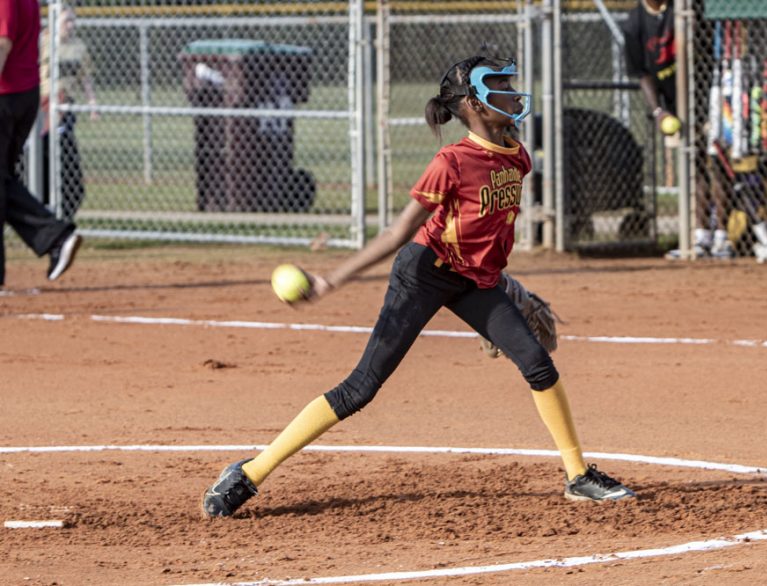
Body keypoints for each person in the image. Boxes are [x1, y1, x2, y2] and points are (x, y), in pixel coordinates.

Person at [202, 54, 635, 518]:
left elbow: (486, 228)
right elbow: (397, 233)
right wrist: (330, 280)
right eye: (502, 87)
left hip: (475, 281)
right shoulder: (451, 161)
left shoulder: (518, 155)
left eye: (511, 84)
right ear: (474, 103)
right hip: (423, 273)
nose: (513, 93)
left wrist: (503, 285)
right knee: (360, 389)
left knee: (537, 364)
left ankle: (577, 476)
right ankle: (248, 474)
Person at [622, 0, 731, 259]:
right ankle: (700, 236)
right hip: (674, 104)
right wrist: (659, 111)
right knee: (694, 167)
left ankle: (722, 238)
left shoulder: (686, 8)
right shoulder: (634, 24)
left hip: (706, 94)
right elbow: (642, 74)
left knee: (715, 163)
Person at [0, 0, 82, 288]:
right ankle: (56, 239)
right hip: (22, 94)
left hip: (6, 95)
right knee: (3, 182)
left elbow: (3, 43)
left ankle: (56, 237)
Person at [39, 4, 97, 220]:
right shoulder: (43, 42)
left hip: (66, 107)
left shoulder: (78, 47)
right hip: (43, 108)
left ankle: (63, 213)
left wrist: (92, 103)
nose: (71, 25)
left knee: (66, 158)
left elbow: (86, 78)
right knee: (45, 158)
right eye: (66, 21)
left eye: (73, 20)